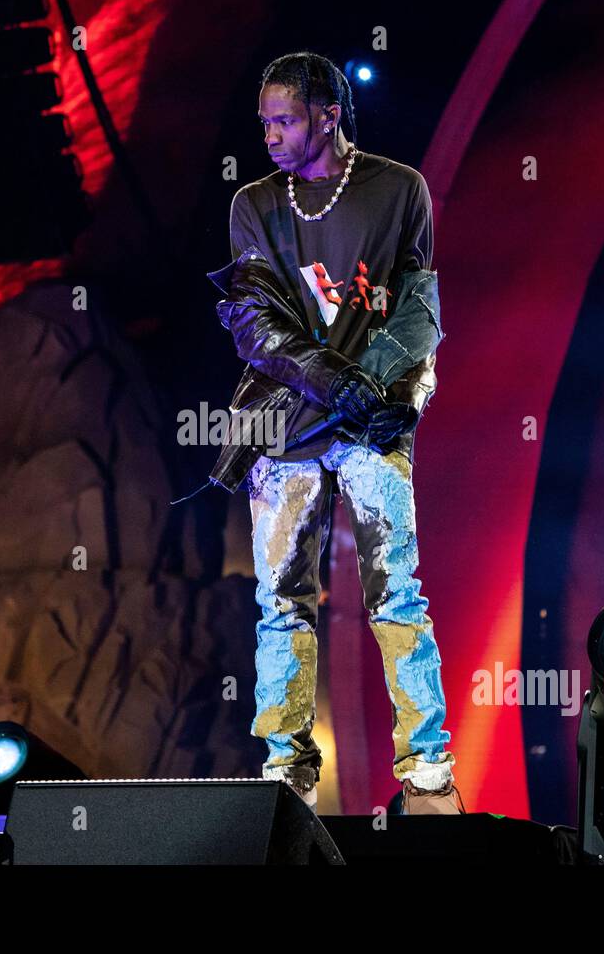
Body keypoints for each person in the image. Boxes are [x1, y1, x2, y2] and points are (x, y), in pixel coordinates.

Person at [212, 51, 464, 815]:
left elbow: (420, 305)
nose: (272, 135)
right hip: (287, 426)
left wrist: (397, 393)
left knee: (398, 593)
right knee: (281, 600)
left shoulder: (398, 188)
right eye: (264, 123)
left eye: (285, 120)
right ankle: (286, 767)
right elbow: (252, 323)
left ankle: (425, 768)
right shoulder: (255, 202)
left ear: (328, 113)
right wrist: (332, 380)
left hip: (373, 423)